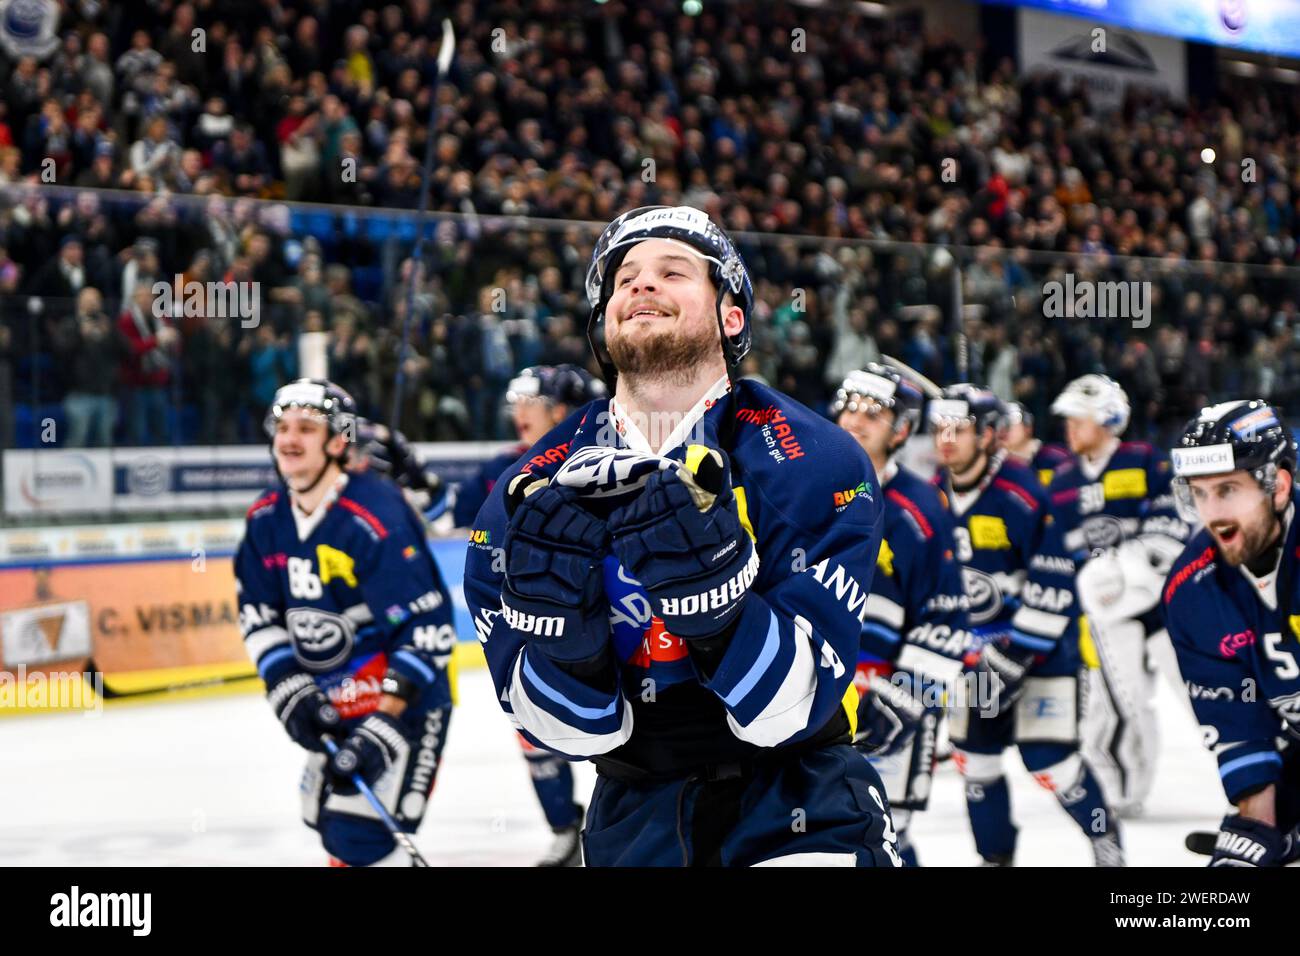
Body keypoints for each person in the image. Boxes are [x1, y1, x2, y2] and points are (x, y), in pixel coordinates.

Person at [463, 205, 899, 867]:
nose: (641, 285)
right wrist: (572, 657)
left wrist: (720, 618)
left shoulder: (816, 460)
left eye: (673, 271)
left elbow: (793, 715)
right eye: (624, 278)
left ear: (730, 314)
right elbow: (559, 732)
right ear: (603, 322)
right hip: (632, 821)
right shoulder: (524, 492)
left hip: (801, 807)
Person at [234, 379, 456, 866]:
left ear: (338, 441)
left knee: (358, 834)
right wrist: (289, 686)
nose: (289, 439)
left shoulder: (375, 515)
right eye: (283, 427)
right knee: (322, 815)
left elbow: (427, 629)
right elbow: (258, 612)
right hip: (337, 698)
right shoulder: (266, 520)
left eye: (307, 428)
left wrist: (385, 720)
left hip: (405, 706)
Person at [931, 383, 1122, 866]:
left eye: (960, 428)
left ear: (991, 434)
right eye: (940, 426)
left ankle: (1106, 840)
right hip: (974, 661)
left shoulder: (1022, 494)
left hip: (1042, 656)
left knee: (1052, 765)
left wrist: (1012, 658)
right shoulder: (930, 496)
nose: (947, 438)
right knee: (976, 764)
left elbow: (1055, 584)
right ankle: (995, 859)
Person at [1014, 374, 1189, 818]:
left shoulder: (1144, 459)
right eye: (1068, 421)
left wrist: (1135, 564)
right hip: (1106, 615)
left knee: (1199, 695)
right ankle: (1124, 792)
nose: (1071, 429)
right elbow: (1054, 552)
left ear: (1109, 419)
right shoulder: (1061, 482)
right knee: (1122, 703)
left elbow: (1173, 520)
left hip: (1166, 606)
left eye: (1080, 419)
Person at [831, 364, 970, 866]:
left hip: (884, 703)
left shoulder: (922, 508)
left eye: (875, 411)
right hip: (813, 700)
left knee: (881, 836)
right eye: (850, 405)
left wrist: (904, 701)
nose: (857, 419)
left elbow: (948, 619)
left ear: (903, 429)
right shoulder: (801, 489)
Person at [1163, 399, 1300, 866]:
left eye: (1227, 489)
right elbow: (1242, 731)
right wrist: (1257, 830)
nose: (1212, 512)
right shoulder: (1192, 594)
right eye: (1199, 494)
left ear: (1278, 486)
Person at [451, 365, 605, 530]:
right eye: (517, 403)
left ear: (559, 411)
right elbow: (464, 522)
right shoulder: (500, 468)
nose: (520, 413)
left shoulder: (596, 465)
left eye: (530, 402)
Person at [1001, 401, 1071, 487]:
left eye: (1011, 424)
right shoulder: (996, 466)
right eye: (1001, 425)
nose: (1005, 430)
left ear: (1028, 426)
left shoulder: (1055, 457)